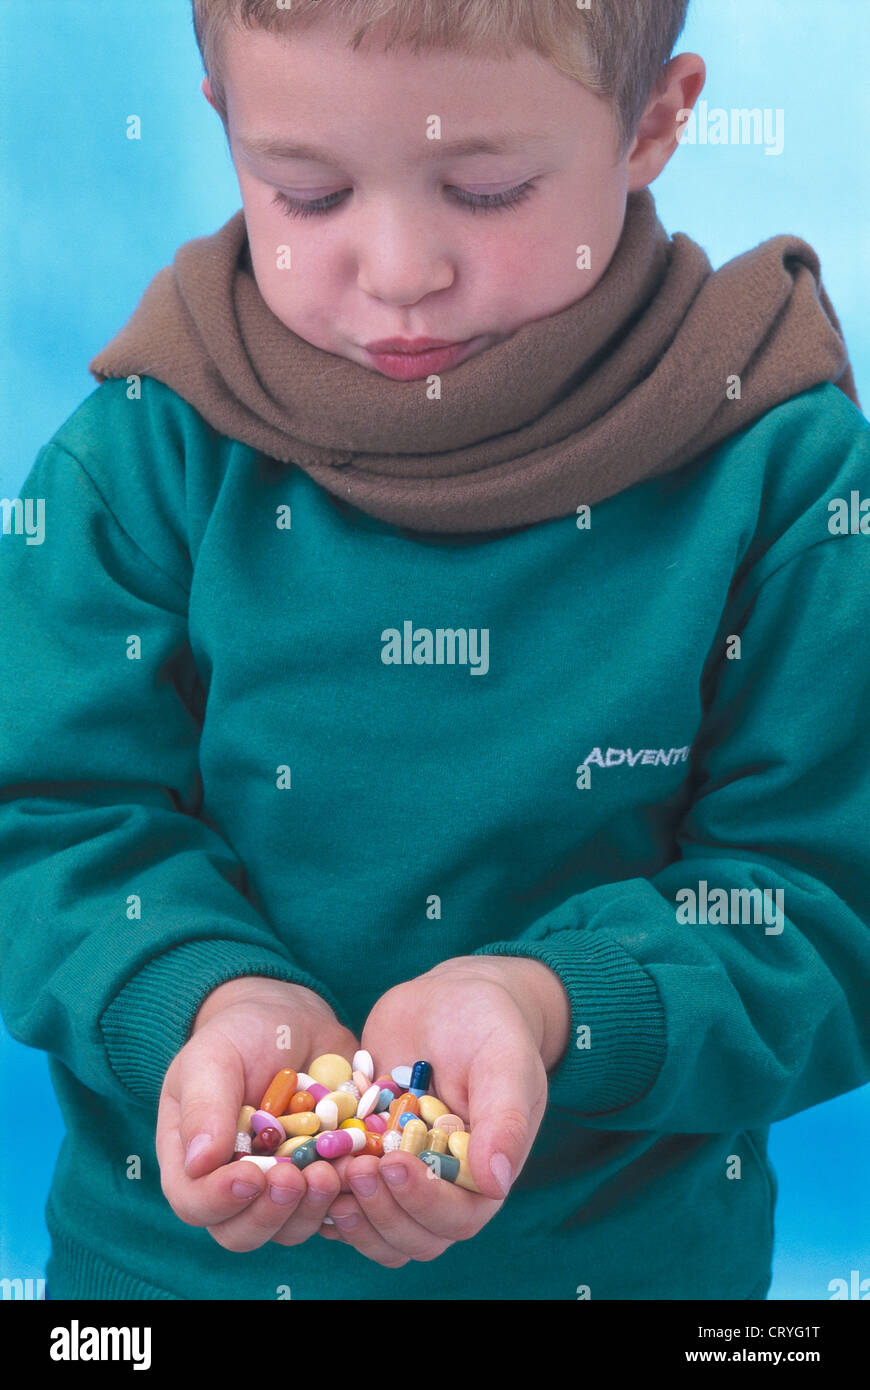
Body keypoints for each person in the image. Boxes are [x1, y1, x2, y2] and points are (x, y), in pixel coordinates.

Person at [1, 0, 868, 1301]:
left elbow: (820, 893)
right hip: (165, 1285)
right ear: (225, 128)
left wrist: (551, 1003)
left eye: (484, 187)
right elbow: (44, 818)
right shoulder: (137, 457)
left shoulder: (784, 476)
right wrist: (201, 995)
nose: (399, 268)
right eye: (306, 191)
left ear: (655, 122)